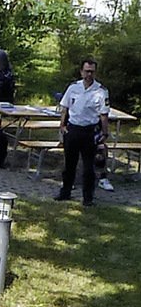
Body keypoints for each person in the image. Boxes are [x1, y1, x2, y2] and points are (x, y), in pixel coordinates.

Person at [56, 57, 111, 206]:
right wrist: (62, 125)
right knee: (69, 165)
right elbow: (65, 107)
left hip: (89, 132)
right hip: (73, 129)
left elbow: (103, 115)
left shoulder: (101, 91)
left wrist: (104, 134)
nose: (89, 74)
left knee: (88, 168)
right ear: (81, 72)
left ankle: (88, 198)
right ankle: (65, 192)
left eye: (92, 72)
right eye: (86, 71)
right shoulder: (73, 87)